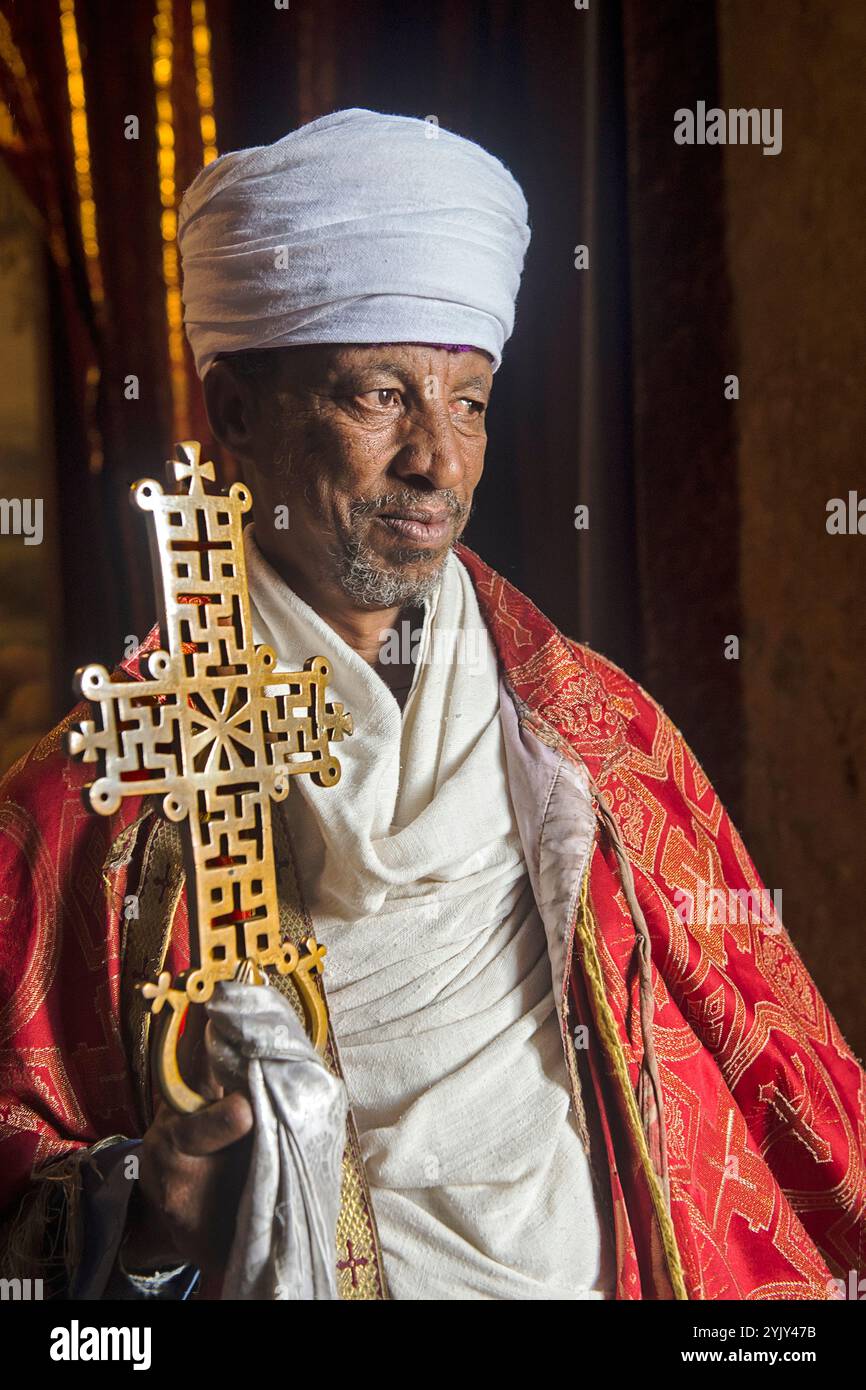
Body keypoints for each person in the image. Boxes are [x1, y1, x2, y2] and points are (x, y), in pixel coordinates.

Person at [1, 108, 863, 1302]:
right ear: (236, 412)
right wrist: (142, 1214)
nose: (437, 462)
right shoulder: (87, 808)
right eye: (379, 397)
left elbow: (790, 1105)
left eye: (466, 401)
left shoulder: (598, 744)